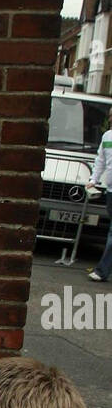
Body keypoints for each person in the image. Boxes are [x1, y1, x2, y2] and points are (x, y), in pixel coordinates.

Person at [87, 110, 112, 282]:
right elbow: (101, 160)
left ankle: (102, 270)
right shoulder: (107, 136)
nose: (110, 118)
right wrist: (93, 180)